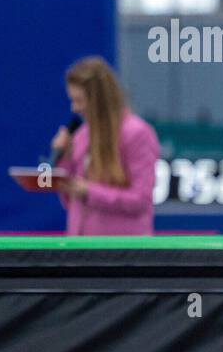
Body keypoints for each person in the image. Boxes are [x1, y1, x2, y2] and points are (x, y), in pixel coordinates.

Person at [51, 56, 159, 235]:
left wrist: (90, 191)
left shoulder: (137, 133)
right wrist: (64, 159)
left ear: (99, 101)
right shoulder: (81, 135)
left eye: (80, 100)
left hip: (123, 252)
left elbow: (140, 200)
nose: (74, 109)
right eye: (72, 100)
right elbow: (72, 202)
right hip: (80, 250)